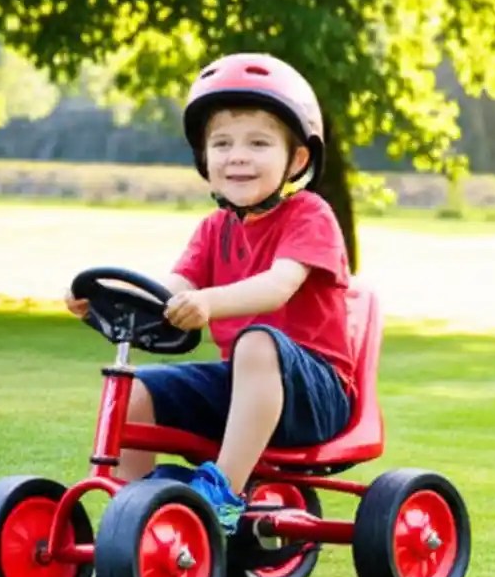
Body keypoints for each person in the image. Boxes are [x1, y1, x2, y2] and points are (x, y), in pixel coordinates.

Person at [64, 53, 355, 533]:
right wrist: (106, 299)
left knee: (257, 342)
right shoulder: (213, 229)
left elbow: (279, 286)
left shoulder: (310, 214)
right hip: (242, 389)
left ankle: (222, 496)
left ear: (298, 158)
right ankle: (134, 518)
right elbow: (171, 291)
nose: (237, 155)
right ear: (204, 157)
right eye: (222, 143)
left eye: (258, 143)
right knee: (137, 390)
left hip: (315, 395)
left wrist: (210, 302)